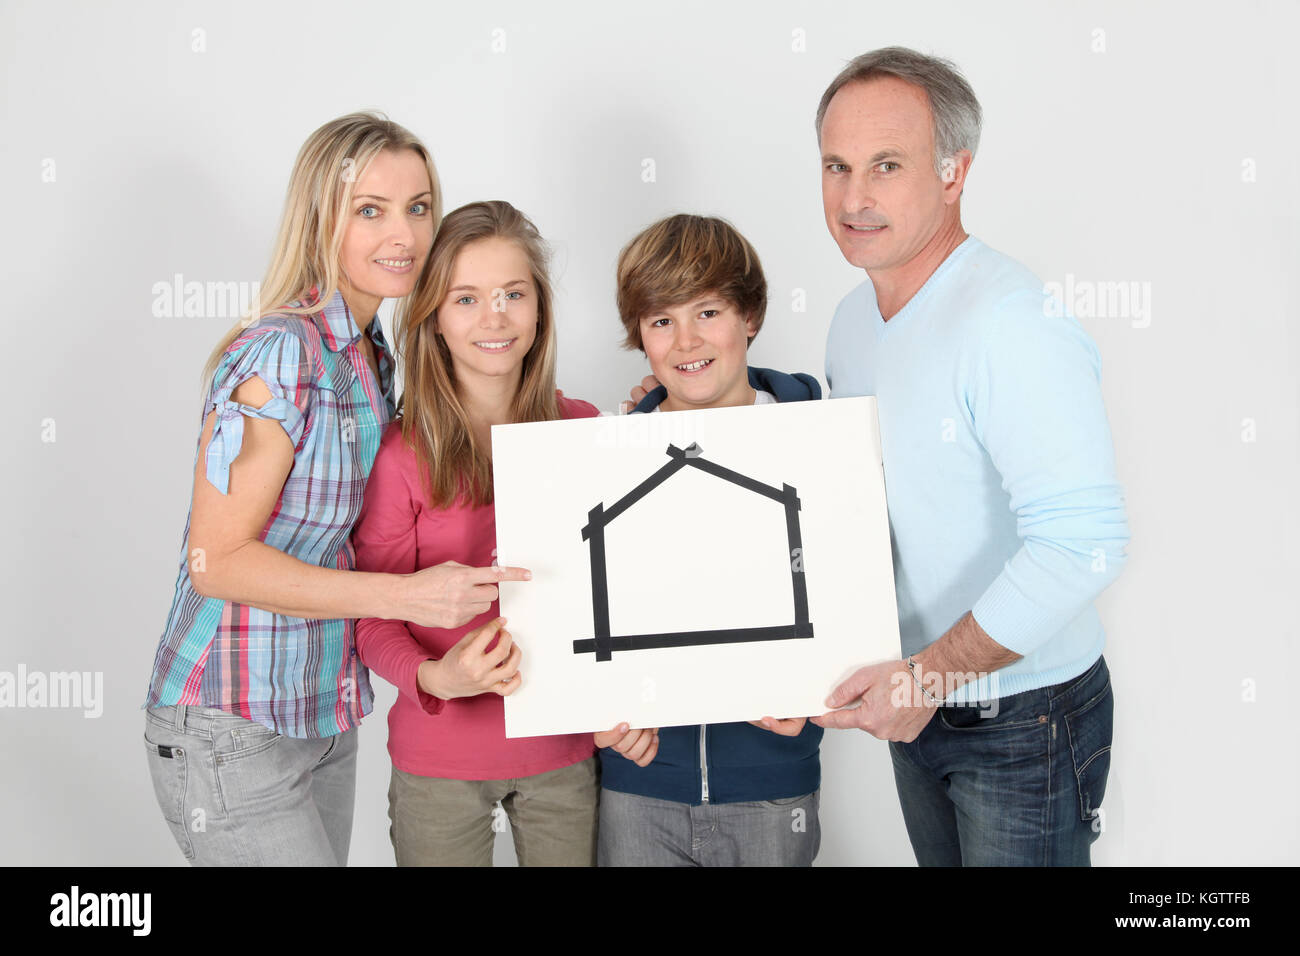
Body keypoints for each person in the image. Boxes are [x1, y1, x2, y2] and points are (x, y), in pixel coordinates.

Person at [142, 113, 523, 867]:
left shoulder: (371, 356)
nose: (405, 235)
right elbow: (216, 563)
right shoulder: (285, 353)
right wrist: (407, 597)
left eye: (418, 208)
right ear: (322, 218)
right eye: (371, 211)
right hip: (231, 726)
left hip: (319, 718)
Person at [807, 48, 1128, 866]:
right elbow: (849, 497)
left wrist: (925, 679)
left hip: (1021, 719)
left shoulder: (1013, 323)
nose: (853, 197)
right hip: (915, 706)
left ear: (955, 172)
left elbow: (1082, 543)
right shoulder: (850, 320)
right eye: (837, 166)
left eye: (886, 165)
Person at [351, 200, 601, 867]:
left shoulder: (584, 428)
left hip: (566, 749)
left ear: (539, 309)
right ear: (433, 315)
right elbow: (371, 615)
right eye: (466, 298)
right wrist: (434, 677)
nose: (494, 317)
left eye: (512, 294)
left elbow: (616, 586)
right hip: (441, 765)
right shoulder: (400, 455)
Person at [597, 213, 824, 867]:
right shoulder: (609, 456)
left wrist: (814, 696)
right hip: (639, 787)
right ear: (640, 334)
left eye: (708, 312)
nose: (686, 340)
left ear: (749, 316)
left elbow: (854, 589)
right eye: (661, 319)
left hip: (774, 788)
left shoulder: (817, 438)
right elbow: (585, 616)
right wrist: (597, 706)